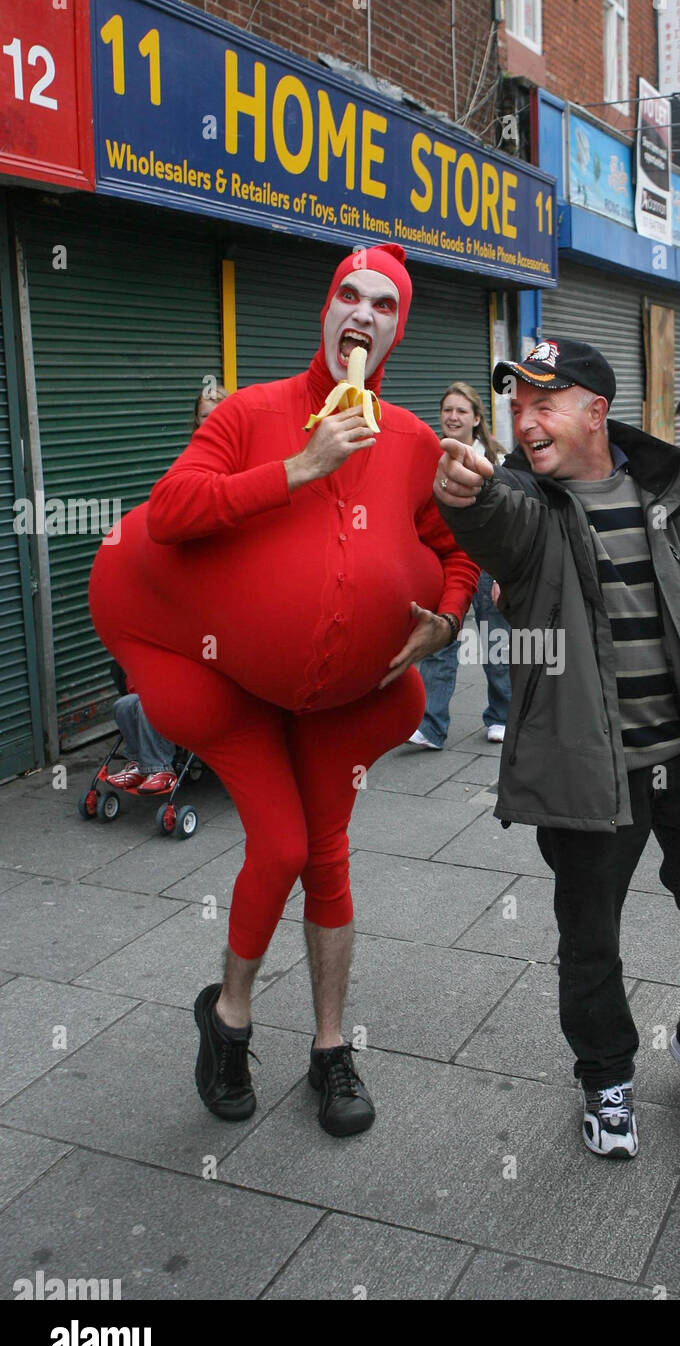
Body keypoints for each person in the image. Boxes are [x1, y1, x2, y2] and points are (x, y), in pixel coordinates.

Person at [89, 244, 478, 1138]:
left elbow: (457, 553)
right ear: (326, 311)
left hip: (338, 703)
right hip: (233, 686)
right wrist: (300, 467)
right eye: (350, 294)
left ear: (396, 330)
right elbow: (173, 510)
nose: (364, 313)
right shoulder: (254, 411)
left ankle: (331, 1051)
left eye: (385, 304)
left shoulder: (413, 440)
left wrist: (449, 619)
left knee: (328, 855)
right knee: (280, 847)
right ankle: (228, 1019)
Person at [433, 338, 680, 1160]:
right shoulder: (527, 503)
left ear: (597, 412)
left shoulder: (677, 494)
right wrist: (465, 493)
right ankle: (604, 1076)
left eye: (542, 403)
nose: (525, 420)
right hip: (592, 774)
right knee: (591, 935)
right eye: (515, 406)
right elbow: (492, 518)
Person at [107, 383, 231, 793]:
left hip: (219, 597)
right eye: (203, 416)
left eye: (217, 416)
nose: (208, 424)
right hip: (184, 590)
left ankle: (160, 760)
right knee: (129, 678)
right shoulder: (185, 467)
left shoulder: (239, 468)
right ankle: (148, 761)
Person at [408, 382, 511, 749]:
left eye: (461, 411)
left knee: (496, 641)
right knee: (441, 639)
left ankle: (502, 715)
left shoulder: (496, 459)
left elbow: (507, 519)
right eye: (447, 409)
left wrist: (503, 570)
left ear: (476, 418)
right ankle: (432, 725)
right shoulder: (429, 455)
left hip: (486, 562)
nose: (452, 416)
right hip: (445, 562)